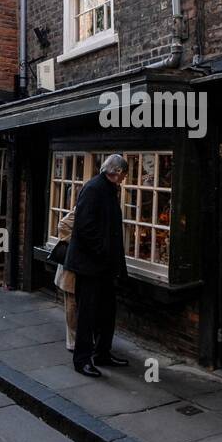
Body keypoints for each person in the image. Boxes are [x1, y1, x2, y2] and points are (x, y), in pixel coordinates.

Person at [64, 154, 130, 377]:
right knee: (87, 314)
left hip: (104, 266)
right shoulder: (94, 189)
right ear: (117, 172)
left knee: (106, 312)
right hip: (90, 266)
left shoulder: (109, 189)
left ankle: (102, 353)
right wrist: (103, 251)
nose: (123, 180)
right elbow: (84, 227)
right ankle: (82, 359)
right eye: (123, 176)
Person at [54, 208, 78, 352]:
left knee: (75, 304)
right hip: (71, 265)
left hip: (80, 265)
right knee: (71, 303)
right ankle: (72, 342)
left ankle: (77, 340)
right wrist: (78, 244)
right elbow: (62, 225)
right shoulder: (82, 206)